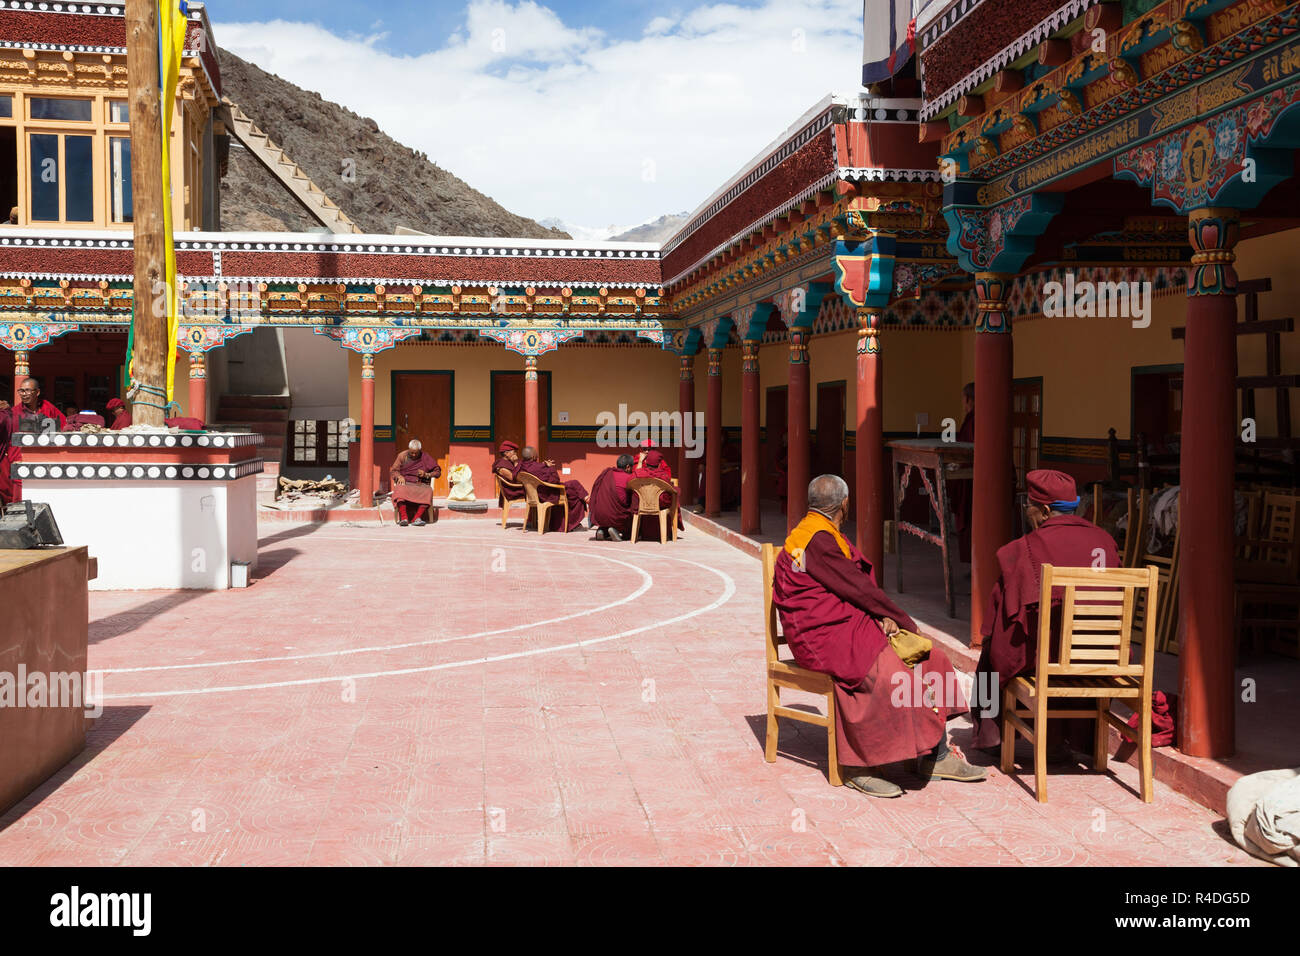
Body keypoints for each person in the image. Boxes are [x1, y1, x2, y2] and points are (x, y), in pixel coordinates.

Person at [772, 475, 986, 798]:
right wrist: (896, 618)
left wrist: (879, 615)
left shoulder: (822, 532)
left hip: (844, 622)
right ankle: (860, 766)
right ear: (844, 505)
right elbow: (854, 588)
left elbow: (849, 587)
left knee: (932, 659)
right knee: (889, 674)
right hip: (820, 638)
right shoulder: (816, 540)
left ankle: (934, 756)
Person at [968, 469, 1121, 752]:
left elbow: (1004, 611)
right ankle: (1072, 740)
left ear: (1045, 510)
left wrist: (991, 638)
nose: (1027, 512)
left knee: (992, 652)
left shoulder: (1026, 547)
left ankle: (991, 737)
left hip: (1045, 658)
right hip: (1101, 656)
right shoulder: (1105, 541)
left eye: (1028, 506)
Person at [515, 445, 588, 532]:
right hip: (546, 494)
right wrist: (550, 467)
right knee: (575, 488)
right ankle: (572, 524)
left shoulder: (520, 466)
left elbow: (528, 471)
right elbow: (555, 481)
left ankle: (586, 498)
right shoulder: (540, 467)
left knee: (574, 486)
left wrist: (543, 464)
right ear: (534, 456)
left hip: (533, 495)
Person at [950, 382, 975, 563]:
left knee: (973, 521)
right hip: (969, 476)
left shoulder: (975, 420)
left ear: (969, 399)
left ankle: (977, 564)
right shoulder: (972, 420)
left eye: (964, 399)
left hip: (973, 480)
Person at [389, 439, 439, 527]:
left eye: (416, 453)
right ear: (409, 449)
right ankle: (404, 518)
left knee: (428, 491)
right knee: (399, 489)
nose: (414, 455)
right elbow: (393, 471)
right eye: (412, 453)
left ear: (420, 451)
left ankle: (416, 518)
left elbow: (437, 472)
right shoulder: (402, 456)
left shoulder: (425, 457)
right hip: (405, 483)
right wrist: (399, 476)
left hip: (420, 483)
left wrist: (426, 474)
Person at [634, 448, 683, 532]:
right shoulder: (663, 476)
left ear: (646, 461)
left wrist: (640, 462)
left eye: (649, 449)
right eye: (645, 449)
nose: (647, 451)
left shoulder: (639, 473)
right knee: (674, 493)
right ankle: (671, 530)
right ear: (659, 463)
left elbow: (633, 477)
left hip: (642, 502)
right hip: (660, 504)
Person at [589, 454, 635, 541]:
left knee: (609, 511)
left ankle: (603, 530)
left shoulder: (607, 473)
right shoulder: (629, 478)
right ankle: (616, 529)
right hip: (616, 516)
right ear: (628, 467)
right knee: (632, 511)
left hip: (599, 516)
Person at [492, 440, 524, 505]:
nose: (516, 454)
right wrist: (515, 463)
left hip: (518, 487)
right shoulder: (501, 467)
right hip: (512, 491)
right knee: (537, 492)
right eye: (514, 452)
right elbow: (515, 478)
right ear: (506, 453)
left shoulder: (510, 462)